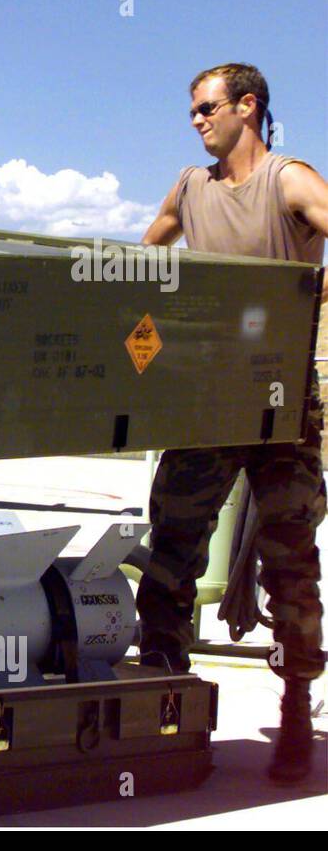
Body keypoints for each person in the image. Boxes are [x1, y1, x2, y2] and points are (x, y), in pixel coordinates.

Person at [136, 62, 328, 783]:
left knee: (290, 561)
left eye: (206, 107)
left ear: (248, 106)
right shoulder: (190, 188)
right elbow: (140, 258)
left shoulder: (288, 180)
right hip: (205, 400)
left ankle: (295, 705)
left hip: (282, 408)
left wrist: (315, 287)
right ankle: (163, 694)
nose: (196, 120)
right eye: (191, 110)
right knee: (172, 549)